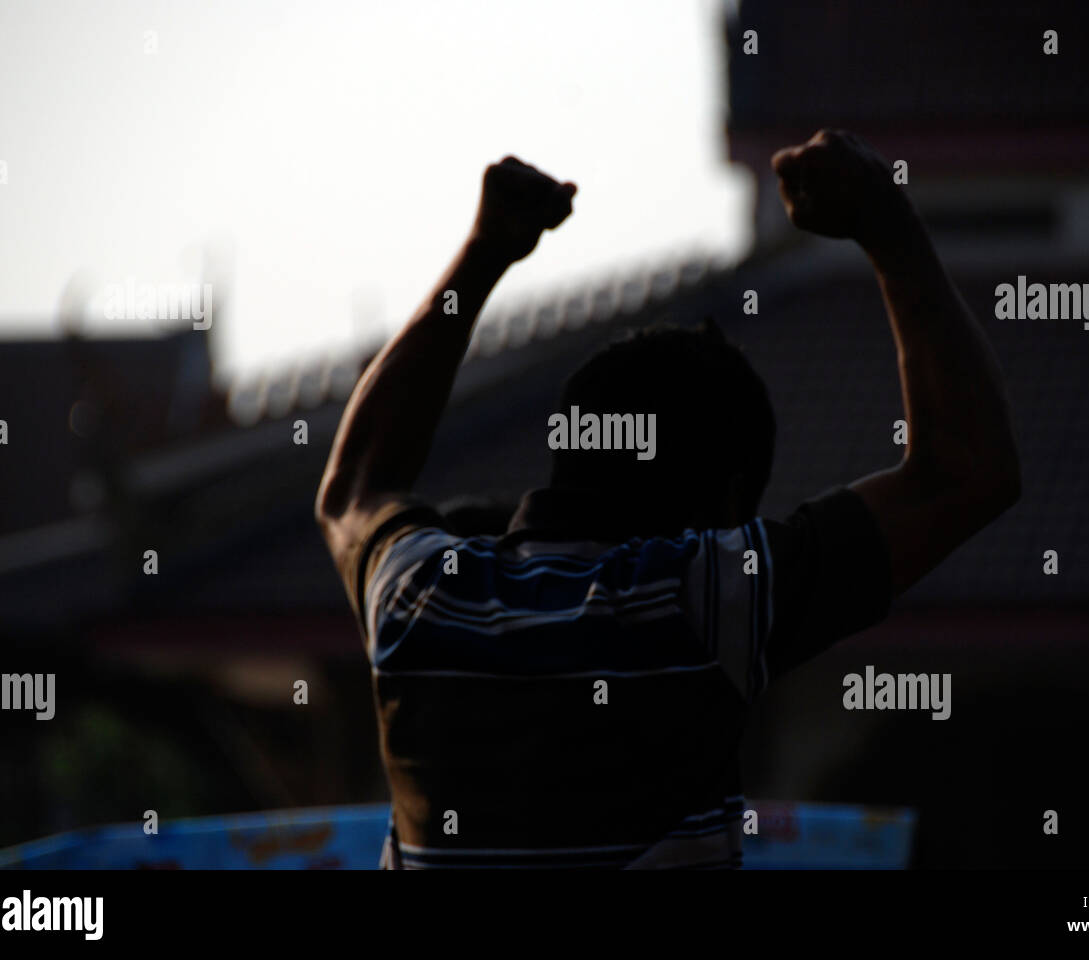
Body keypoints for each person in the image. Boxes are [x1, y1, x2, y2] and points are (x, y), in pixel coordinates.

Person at [315, 132, 1020, 869]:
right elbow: (968, 470)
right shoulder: (705, 594)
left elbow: (355, 485)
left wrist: (485, 253)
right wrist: (889, 225)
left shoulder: (417, 593)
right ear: (727, 504)